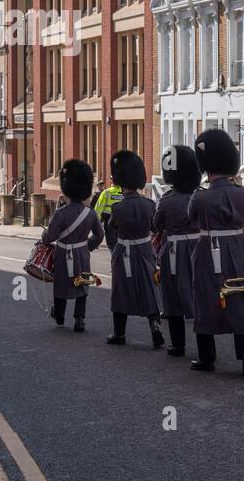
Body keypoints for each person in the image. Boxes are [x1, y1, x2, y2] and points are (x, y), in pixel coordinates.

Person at [188, 129, 244, 376]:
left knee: (206, 301)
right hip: (239, 249)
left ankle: (206, 357)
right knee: (241, 299)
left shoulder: (200, 197)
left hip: (209, 251)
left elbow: (192, 220)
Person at [104, 150, 164, 348]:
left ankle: (119, 334)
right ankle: (155, 327)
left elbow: (112, 228)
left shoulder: (118, 208)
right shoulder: (149, 204)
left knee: (121, 292)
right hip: (146, 250)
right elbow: (156, 228)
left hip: (125, 253)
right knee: (150, 290)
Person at [153, 145, 203, 358]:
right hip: (198, 247)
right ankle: (205, 347)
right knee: (200, 294)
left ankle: (178, 345)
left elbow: (157, 225)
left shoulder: (167, 199)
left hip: (174, 250)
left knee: (172, 296)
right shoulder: (199, 197)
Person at [41, 159, 103, 332]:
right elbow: (100, 235)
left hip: (62, 253)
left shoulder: (61, 213)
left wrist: (44, 235)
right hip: (82, 253)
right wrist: (87, 246)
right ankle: (79, 319)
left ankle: (59, 316)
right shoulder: (89, 214)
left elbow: (49, 238)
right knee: (82, 283)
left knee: (60, 284)